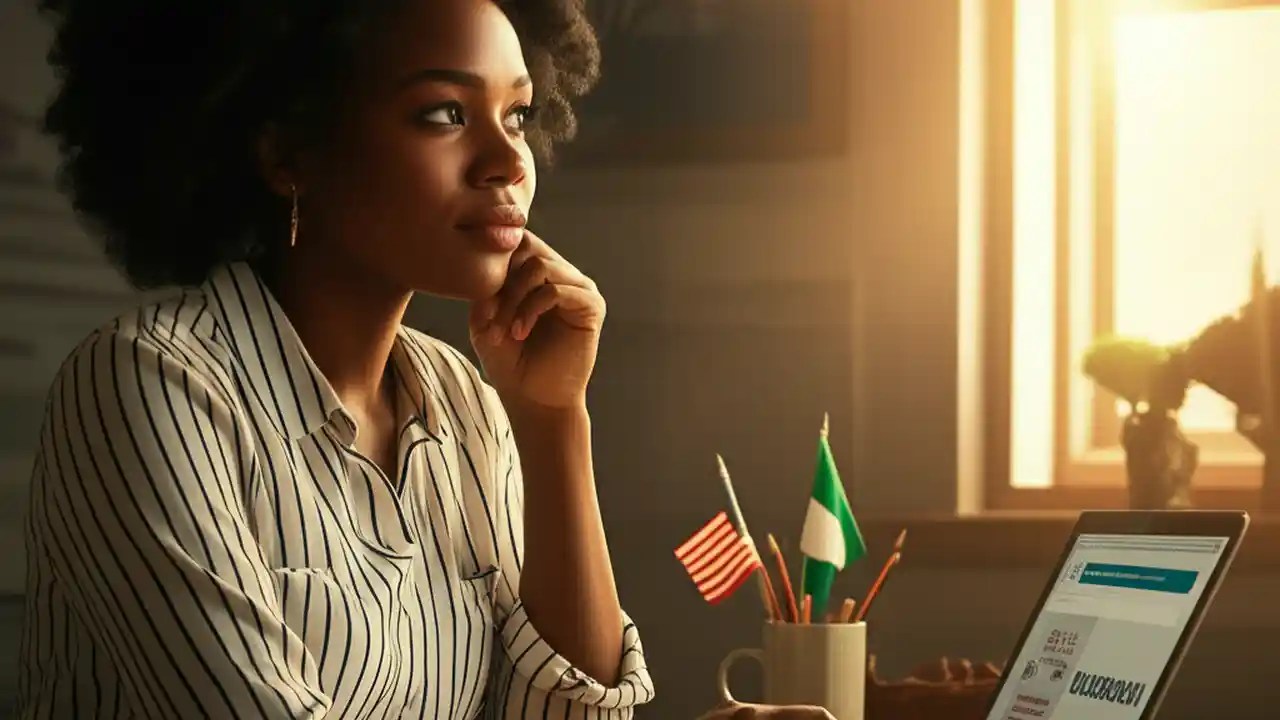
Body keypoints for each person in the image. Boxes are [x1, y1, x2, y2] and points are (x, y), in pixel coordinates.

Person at [19, 0, 835, 717]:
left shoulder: (466, 405)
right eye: (445, 113)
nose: (508, 162)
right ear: (286, 153)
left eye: (516, 115)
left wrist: (554, 419)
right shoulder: (147, 388)